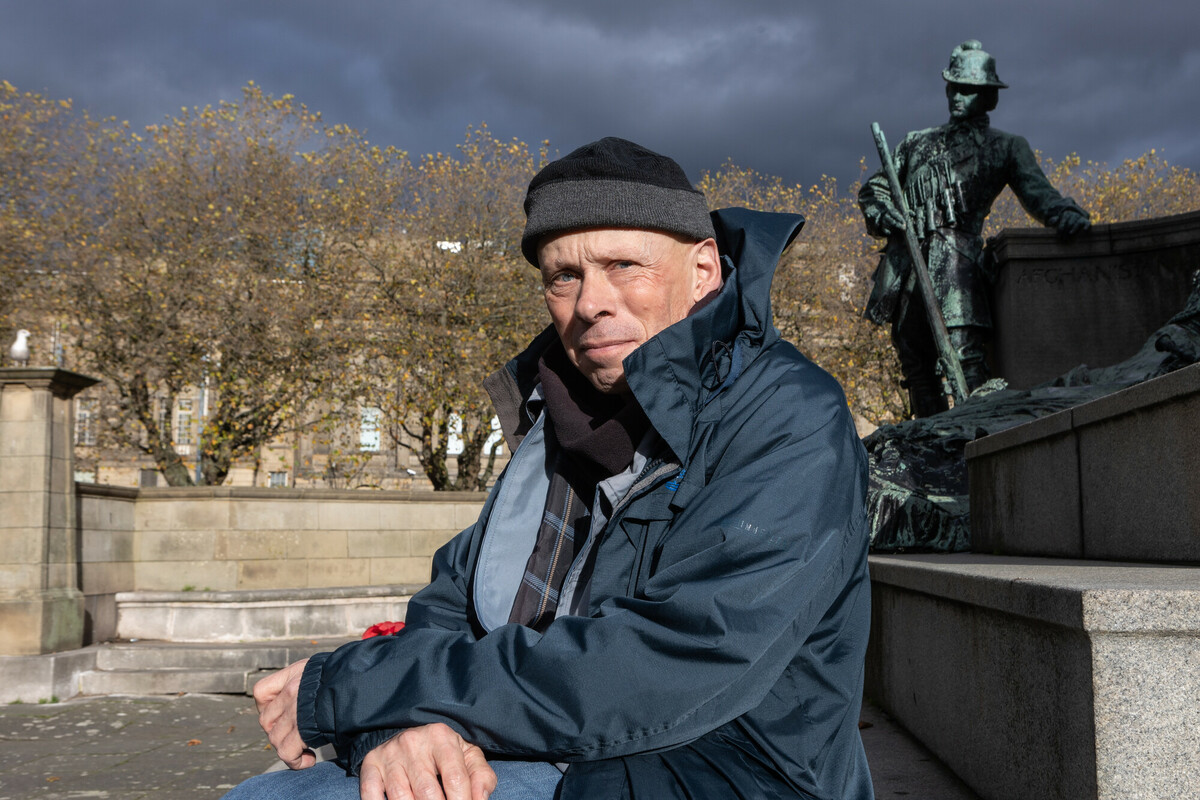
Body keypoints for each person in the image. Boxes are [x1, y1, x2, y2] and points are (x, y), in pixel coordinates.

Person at [226, 137, 873, 800]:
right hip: (557, 749)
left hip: (720, 772)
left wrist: (357, 687)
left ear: (703, 269)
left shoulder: (789, 415)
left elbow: (663, 669)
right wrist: (398, 732)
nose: (591, 301)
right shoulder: (555, 418)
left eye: (625, 265)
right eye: (564, 276)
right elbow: (449, 608)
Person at [859, 40, 1091, 418]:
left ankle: (977, 437)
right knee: (916, 369)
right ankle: (929, 443)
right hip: (906, 269)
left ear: (988, 97)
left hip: (956, 265)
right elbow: (877, 187)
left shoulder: (1007, 147)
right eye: (953, 86)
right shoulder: (917, 143)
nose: (956, 95)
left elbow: (1038, 194)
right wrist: (884, 212)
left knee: (964, 362)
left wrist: (1063, 214)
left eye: (967, 89)